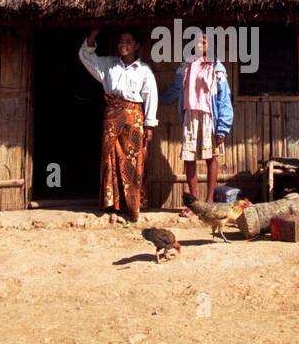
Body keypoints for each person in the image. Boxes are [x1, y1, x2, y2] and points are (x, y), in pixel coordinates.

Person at [79, 27, 158, 221]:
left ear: (137, 46)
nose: (124, 45)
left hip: (134, 119)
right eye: (121, 41)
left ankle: (132, 204)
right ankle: (113, 203)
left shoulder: (144, 71)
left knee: (133, 160)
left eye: (129, 42)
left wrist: (149, 125)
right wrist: (93, 33)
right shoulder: (108, 65)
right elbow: (85, 55)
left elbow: (151, 97)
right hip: (112, 118)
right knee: (111, 158)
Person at [161, 31, 234, 215]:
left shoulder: (217, 67)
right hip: (190, 116)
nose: (200, 44)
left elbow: (224, 98)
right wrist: (154, 98)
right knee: (189, 157)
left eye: (204, 41)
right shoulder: (185, 65)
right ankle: (194, 203)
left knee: (212, 157)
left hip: (210, 116)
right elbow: (175, 89)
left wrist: (223, 128)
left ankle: (208, 203)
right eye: (196, 41)